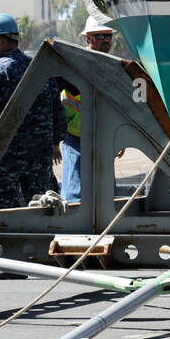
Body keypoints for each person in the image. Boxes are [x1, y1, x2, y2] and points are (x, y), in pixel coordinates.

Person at [0, 13, 63, 213]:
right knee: (42, 205)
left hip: (7, 156)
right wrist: (55, 143)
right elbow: (57, 109)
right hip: (40, 154)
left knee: (3, 208)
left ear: (2, 42)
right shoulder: (39, 69)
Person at [59, 17, 117, 202]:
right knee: (74, 192)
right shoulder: (75, 64)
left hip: (103, 138)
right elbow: (52, 95)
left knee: (107, 193)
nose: (106, 40)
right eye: (100, 36)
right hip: (76, 138)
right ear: (88, 39)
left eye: (109, 36)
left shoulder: (113, 66)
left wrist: (118, 137)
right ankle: (72, 226)